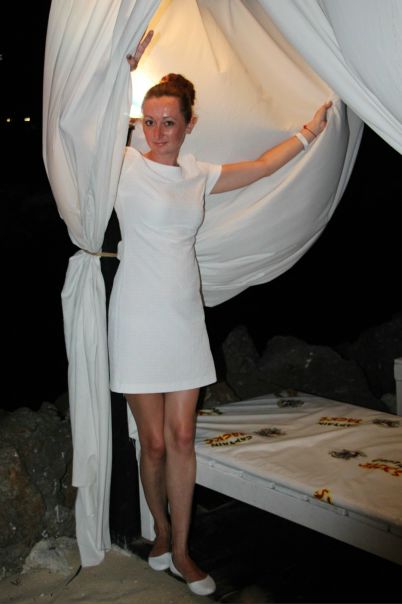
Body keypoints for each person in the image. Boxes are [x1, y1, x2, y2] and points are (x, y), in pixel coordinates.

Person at [109, 31, 332, 596]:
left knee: (182, 437)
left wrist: (309, 133)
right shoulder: (122, 165)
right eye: (149, 122)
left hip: (184, 317)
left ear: (190, 124)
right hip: (135, 317)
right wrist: (120, 69)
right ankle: (160, 531)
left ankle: (183, 550)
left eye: (169, 122)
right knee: (152, 443)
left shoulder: (198, 174)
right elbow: (88, 124)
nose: (157, 132)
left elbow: (261, 166)